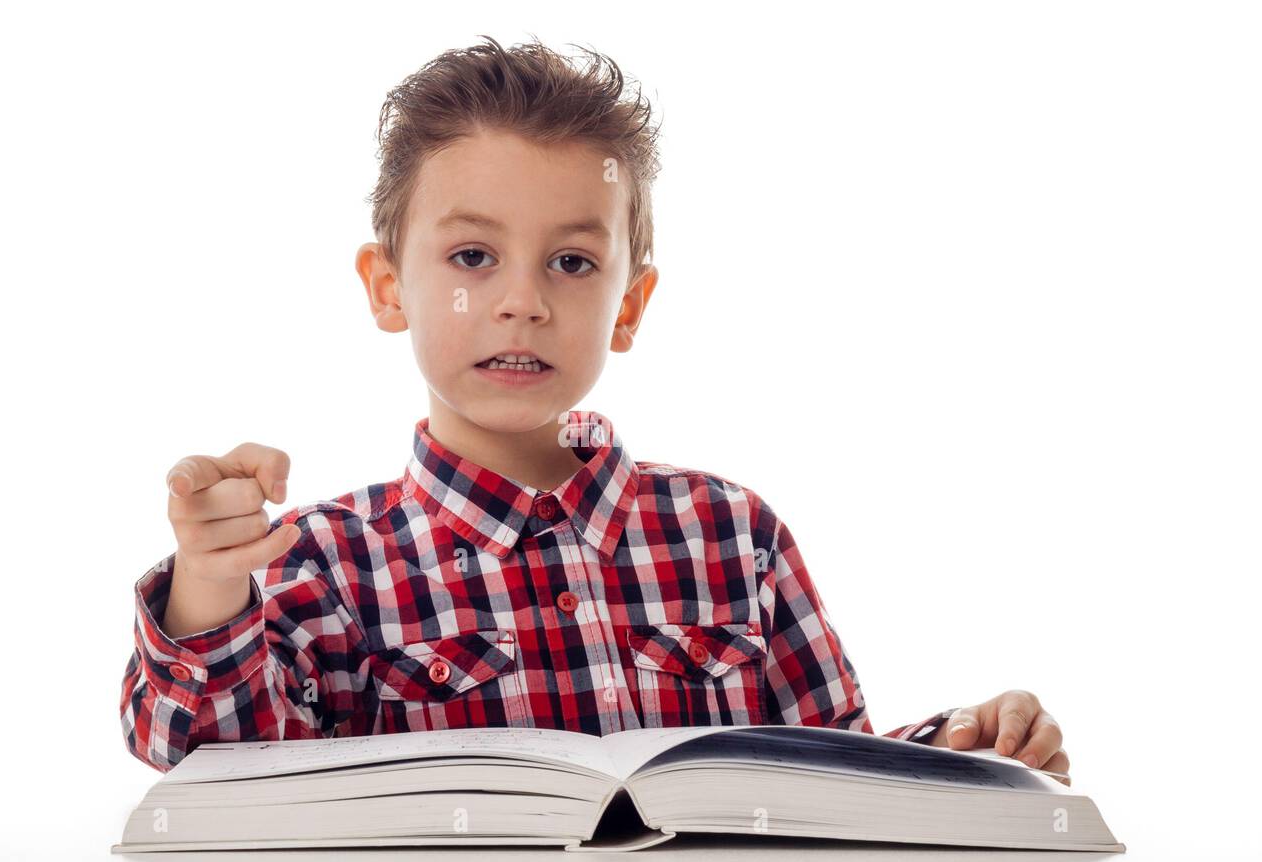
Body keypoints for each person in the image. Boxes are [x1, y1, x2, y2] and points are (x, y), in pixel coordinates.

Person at [120, 36, 1069, 783]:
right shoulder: (321, 562)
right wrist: (209, 582)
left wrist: (966, 748)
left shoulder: (733, 534)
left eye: (571, 263)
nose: (522, 302)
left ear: (628, 305)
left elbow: (835, 771)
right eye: (472, 257)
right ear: (387, 288)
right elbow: (209, 764)